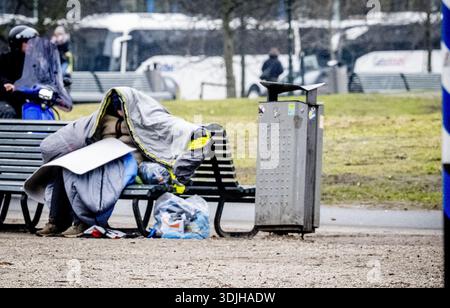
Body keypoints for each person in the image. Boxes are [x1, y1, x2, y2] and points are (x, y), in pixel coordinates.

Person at [0, 25, 39, 118]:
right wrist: (8, 84)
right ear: (17, 43)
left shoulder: (34, 62)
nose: (32, 45)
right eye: (28, 42)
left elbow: (42, 79)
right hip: (6, 100)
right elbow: (1, 78)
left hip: (28, 101)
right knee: (7, 113)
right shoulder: (4, 59)